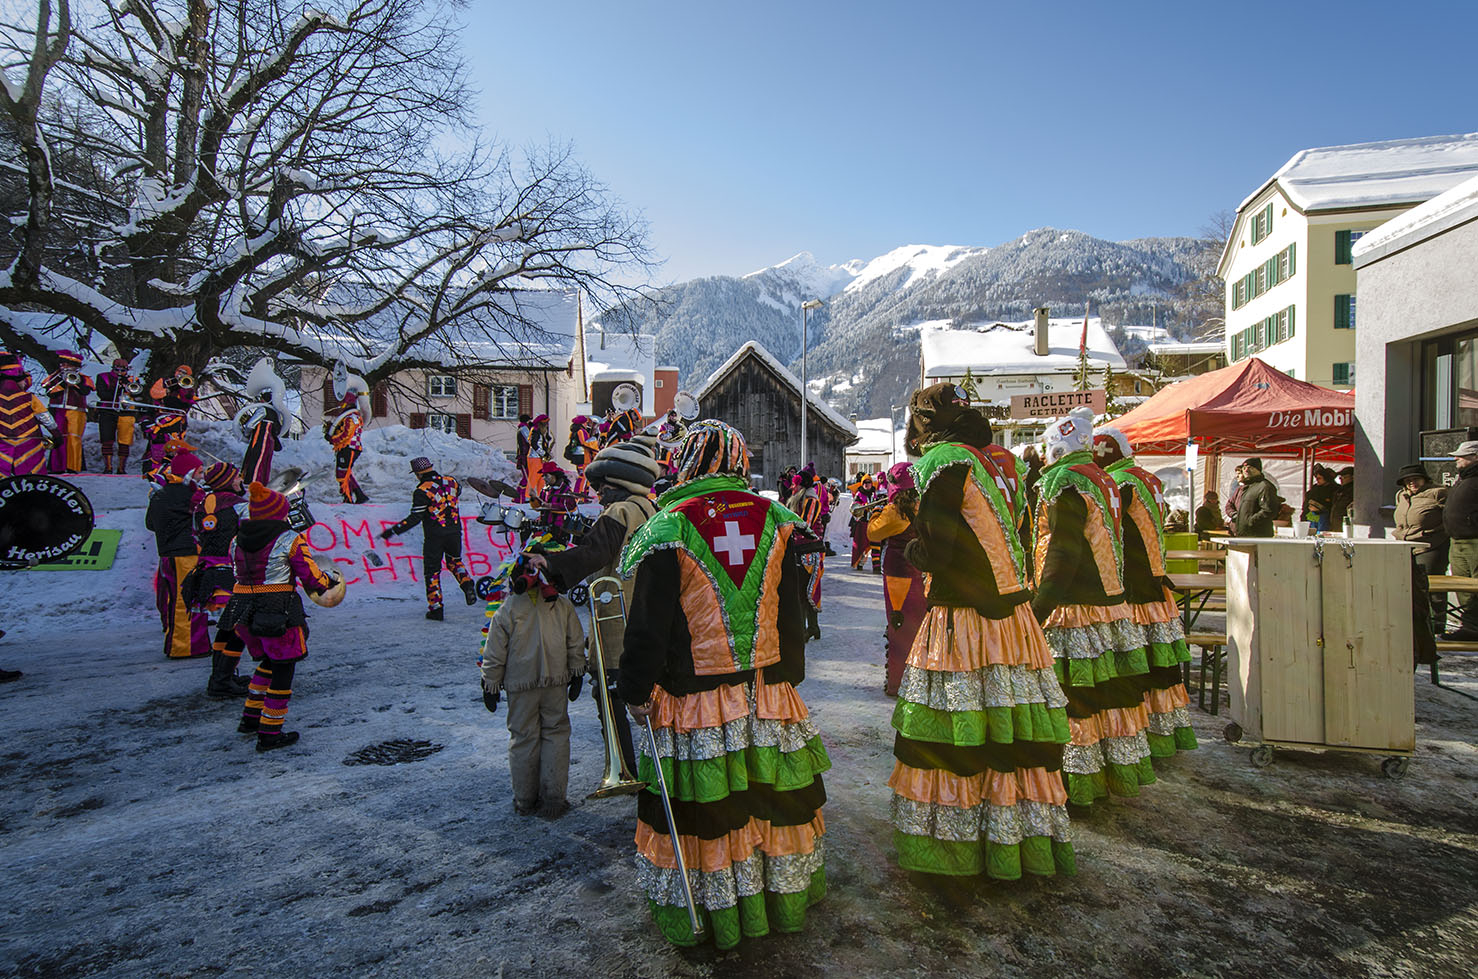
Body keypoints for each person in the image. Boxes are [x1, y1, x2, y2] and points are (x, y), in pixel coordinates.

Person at [618, 419, 829, 950]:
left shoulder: (670, 526)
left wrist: (635, 688)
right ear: (739, 464)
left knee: (713, 812)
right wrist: (787, 678)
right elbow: (792, 608)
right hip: (766, 692)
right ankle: (775, 901)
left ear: (688, 462)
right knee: (766, 801)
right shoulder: (777, 518)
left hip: (697, 703)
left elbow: (649, 622)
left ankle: (720, 916)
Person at [891, 382, 1075, 879]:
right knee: (1008, 733)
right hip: (1011, 618)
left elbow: (938, 550)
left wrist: (912, 542)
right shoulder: (987, 460)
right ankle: (1012, 841)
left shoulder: (942, 461)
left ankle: (959, 848)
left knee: (957, 733)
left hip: (965, 620)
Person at [1032, 409, 1154, 805]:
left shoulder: (1065, 483)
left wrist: (1040, 606)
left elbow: (1062, 551)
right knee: (1105, 697)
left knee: (1075, 700)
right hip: (1110, 604)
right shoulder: (1102, 479)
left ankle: (1073, 785)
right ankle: (1103, 777)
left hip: (1077, 607)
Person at [526, 438, 661, 774]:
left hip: (618, 622)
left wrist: (549, 562)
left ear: (619, 484)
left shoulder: (618, 511)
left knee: (610, 696)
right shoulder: (651, 510)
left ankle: (623, 769)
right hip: (648, 617)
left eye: (602, 487)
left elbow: (594, 555)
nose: (598, 494)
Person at [1094, 428, 1197, 758]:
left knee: (1137, 664)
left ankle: (1140, 735)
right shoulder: (1147, 478)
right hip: (1155, 581)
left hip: (1133, 585)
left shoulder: (1117, 483)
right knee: (1159, 663)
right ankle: (1161, 730)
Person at [222, 482, 342, 751]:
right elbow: (310, 577)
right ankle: (270, 732)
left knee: (267, 662)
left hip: (241, 606)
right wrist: (330, 582)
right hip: (276, 607)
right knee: (284, 669)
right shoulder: (289, 539)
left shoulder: (236, 539)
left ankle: (251, 718)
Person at [479, 558, 587, 817]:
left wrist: (490, 683)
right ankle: (554, 798)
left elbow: (494, 651)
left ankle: (525, 799)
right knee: (556, 734)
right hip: (556, 680)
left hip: (520, 683)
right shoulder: (562, 606)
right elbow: (575, 642)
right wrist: (577, 671)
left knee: (523, 738)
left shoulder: (507, 610)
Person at [186, 462, 253, 697]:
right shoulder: (239, 506)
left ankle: (224, 675)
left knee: (227, 626)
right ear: (227, 481)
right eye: (236, 478)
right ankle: (221, 680)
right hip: (232, 574)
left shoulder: (203, 504)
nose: (239, 481)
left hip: (208, 573)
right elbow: (250, 538)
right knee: (237, 629)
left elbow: (197, 536)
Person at [381, 456, 476, 620]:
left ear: (418, 474)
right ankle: (466, 583)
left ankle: (436, 608)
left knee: (432, 572)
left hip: (435, 535)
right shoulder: (451, 481)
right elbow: (458, 491)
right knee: (454, 561)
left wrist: (394, 530)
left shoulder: (422, 490)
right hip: (454, 531)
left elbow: (415, 518)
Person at [146, 451, 212, 659]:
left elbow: (150, 524)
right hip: (186, 554)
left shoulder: (159, 494)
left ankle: (178, 641)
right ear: (189, 472)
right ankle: (185, 646)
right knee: (188, 600)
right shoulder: (191, 495)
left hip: (166, 554)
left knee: (171, 600)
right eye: (199, 472)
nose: (202, 477)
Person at [866, 460, 924, 696]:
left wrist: (875, 513)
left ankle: (898, 682)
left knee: (899, 626)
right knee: (917, 625)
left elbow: (874, 532)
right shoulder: (923, 505)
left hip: (898, 574)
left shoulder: (894, 511)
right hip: (919, 572)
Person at [1393, 463, 1447, 653]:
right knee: (1411, 586)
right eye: (1408, 481)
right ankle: (1416, 624)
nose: (1412, 483)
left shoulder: (1438, 493)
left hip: (1432, 546)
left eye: (1415, 479)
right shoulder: (1402, 496)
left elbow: (1448, 516)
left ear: (1424, 479)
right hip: (1406, 546)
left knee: (1431, 586)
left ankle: (1437, 623)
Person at [1442, 442, 1478, 641]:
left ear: (1475, 456)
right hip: (1457, 541)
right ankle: (1470, 626)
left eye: (1461, 456)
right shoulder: (1463, 478)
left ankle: (1473, 627)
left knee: (1475, 586)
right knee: (1463, 587)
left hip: (1474, 541)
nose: (1456, 458)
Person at [0, 352, 55, 476]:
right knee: (31, 479)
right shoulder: (29, 397)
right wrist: (56, 435)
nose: (25, 384)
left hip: (2, 444)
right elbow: (46, 418)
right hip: (28, 444)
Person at [787, 468, 826, 640]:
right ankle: (812, 627)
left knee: (805, 591)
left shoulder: (811, 501)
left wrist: (788, 529)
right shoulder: (800, 500)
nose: (792, 488)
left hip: (809, 550)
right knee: (802, 591)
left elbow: (805, 525)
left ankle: (807, 629)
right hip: (799, 549)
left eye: (795, 485)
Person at [43, 350, 92, 474]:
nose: (63, 367)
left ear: (75, 366)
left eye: (67, 364)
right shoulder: (54, 377)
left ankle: (73, 466)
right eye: (62, 364)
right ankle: (56, 466)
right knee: (58, 437)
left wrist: (76, 382)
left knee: (74, 438)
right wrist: (63, 384)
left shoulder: (83, 378)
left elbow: (85, 391)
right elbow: (49, 392)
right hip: (58, 409)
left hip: (77, 411)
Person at [324, 385, 368, 503]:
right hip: (347, 448)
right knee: (344, 472)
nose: (340, 405)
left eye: (342, 403)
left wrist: (332, 438)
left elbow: (346, 434)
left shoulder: (351, 417)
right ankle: (356, 496)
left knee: (342, 473)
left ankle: (349, 497)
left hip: (350, 448)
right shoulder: (350, 416)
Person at [94, 357, 137, 474]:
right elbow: (102, 393)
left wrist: (127, 385)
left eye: (123, 370)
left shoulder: (133, 379)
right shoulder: (102, 377)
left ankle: (121, 468)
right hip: (107, 410)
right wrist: (119, 389)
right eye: (117, 370)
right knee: (107, 439)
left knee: (125, 440)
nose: (120, 373)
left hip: (126, 412)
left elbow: (138, 394)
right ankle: (108, 467)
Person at [239, 391, 284, 487]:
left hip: (261, 438)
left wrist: (246, 434)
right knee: (265, 463)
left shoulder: (263, 409)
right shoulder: (275, 413)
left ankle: (253, 484)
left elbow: (250, 425)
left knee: (255, 461)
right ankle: (262, 483)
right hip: (270, 441)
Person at [1231, 458, 1280, 537]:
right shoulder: (1247, 487)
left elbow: (1269, 510)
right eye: (1244, 468)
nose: (1246, 470)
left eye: (1250, 467)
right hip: (1244, 534)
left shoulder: (1265, 486)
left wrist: (1250, 521)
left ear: (1258, 470)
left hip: (1258, 535)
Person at [849, 473, 880, 571]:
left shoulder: (874, 494)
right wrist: (864, 506)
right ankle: (860, 563)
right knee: (861, 546)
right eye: (865, 483)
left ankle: (876, 567)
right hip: (862, 523)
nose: (867, 484)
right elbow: (854, 508)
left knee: (876, 545)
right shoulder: (859, 494)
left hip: (873, 522)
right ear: (862, 484)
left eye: (869, 482)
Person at [1303, 466, 1336, 532]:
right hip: (1312, 514)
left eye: (1319, 478)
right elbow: (1307, 501)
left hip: (1324, 517)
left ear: (1326, 479)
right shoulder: (1315, 488)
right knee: (1311, 532)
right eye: (1316, 478)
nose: (1317, 480)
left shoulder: (1334, 489)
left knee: (1321, 533)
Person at [1329, 466, 1355, 531]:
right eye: (1340, 477)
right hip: (1335, 522)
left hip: (1346, 523)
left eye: (1344, 477)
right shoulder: (1339, 490)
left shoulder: (1354, 490)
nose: (1341, 479)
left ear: (1353, 477)